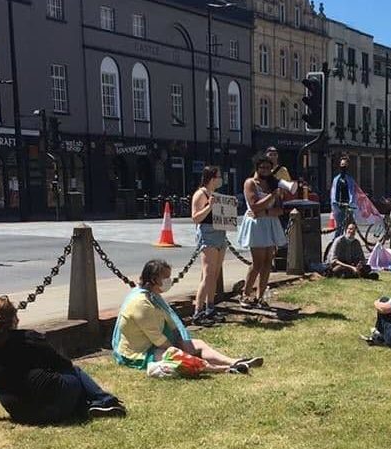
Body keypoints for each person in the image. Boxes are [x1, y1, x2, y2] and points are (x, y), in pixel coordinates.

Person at [0, 297, 124, 424]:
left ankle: (88, 405)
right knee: (75, 371)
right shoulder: (29, 338)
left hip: (20, 413)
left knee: (61, 385)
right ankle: (104, 400)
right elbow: (63, 364)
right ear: (14, 319)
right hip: (56, 405)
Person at [114, 259, 259, 374]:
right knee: (178, 357)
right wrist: (179, 350)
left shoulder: (154, 297)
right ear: (153, 279)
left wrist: (180, 342)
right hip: (140, 352)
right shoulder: (141, 304)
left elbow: (172, 324)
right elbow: (158, 339)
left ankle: (233, 361)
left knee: (199, 344)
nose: (169, 281)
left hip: (156, 345)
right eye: (165, 278)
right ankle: (221, 370)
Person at [238, 155, 290, 307]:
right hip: (256, 226)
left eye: (268, 168)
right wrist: (271, 196)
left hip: (269, 223)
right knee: (257, 262)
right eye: (263, 168)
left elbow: (280, 209)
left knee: (268, 262)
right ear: (257, 168)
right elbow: (254, 206)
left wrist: (267, 212)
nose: (266, 171)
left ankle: (260, 296)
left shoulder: (273, 183)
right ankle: (245, 294)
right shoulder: (250, 183)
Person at [188, 167, 230, 323]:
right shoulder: (201, 194)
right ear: (212, 178)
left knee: (215, 274)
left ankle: (210, 307)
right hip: (208, 235)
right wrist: (209, 206)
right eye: (219, 177)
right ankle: (198, 311)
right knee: (207, 275)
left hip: (220, 234)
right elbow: (195, 218)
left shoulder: (216, 194)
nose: (221, 179)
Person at [330, 155, 358, 234]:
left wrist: (351, 203)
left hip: (348, 207)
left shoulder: (350, 180)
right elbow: (333, 192)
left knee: (349, 228)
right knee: (339, 228)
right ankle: (336, 242)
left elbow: (352, 192)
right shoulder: (336, 179)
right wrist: (334, 203)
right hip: (339, 206)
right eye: (342, 165)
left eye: (345, 165)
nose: (343, 167)